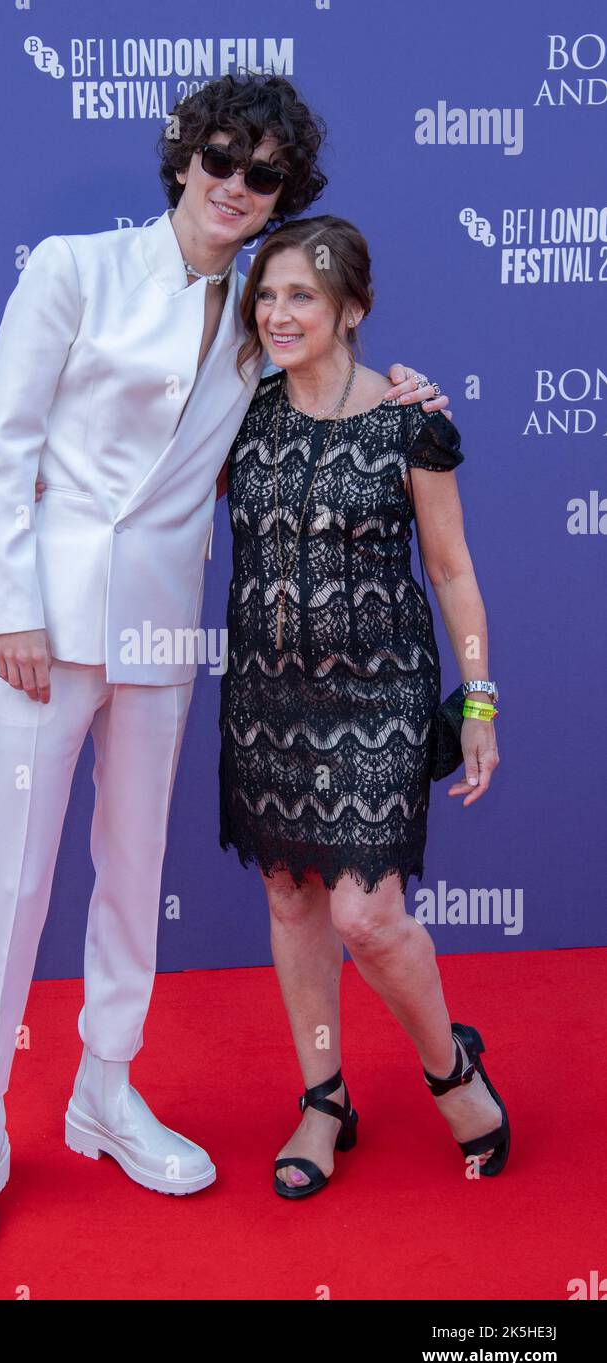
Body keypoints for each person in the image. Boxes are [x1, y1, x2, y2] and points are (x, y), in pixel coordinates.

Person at [0, 73, 450, 1255]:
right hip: (43, 629)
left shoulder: (262, 314)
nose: (234, 184)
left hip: (162, 630)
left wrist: (400, 393)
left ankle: (106, 1089)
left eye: (263, 173)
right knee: (8, 880)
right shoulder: (72, 267)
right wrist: (6, 605)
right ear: (183, 157)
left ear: (281, 198)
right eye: (220, 156)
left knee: (130, 866)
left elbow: (327, 384)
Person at [217, 214, 508, 1199]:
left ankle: (448, 1065)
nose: (279, 311)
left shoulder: (408, 419)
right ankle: (324, 1096)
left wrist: (477, 695)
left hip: (375, 698)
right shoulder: (238, 412)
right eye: (267, 294)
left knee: (365, 915)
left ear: (352, 309)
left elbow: (451, 570)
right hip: (266, 698)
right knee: (291, 897)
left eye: (303, 293)